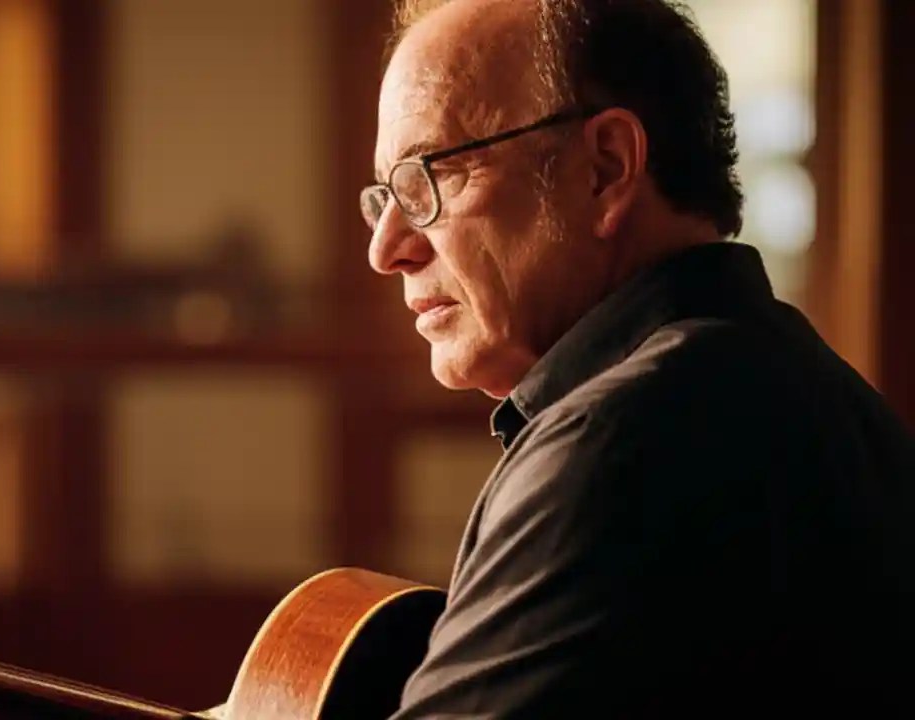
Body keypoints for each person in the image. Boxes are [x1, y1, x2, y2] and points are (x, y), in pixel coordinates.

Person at [362, 0, 915, 717]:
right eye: (384, 198)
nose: (387, 249)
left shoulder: (621, 439)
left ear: (605, 168)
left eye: (428, 179)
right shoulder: (825, 398)